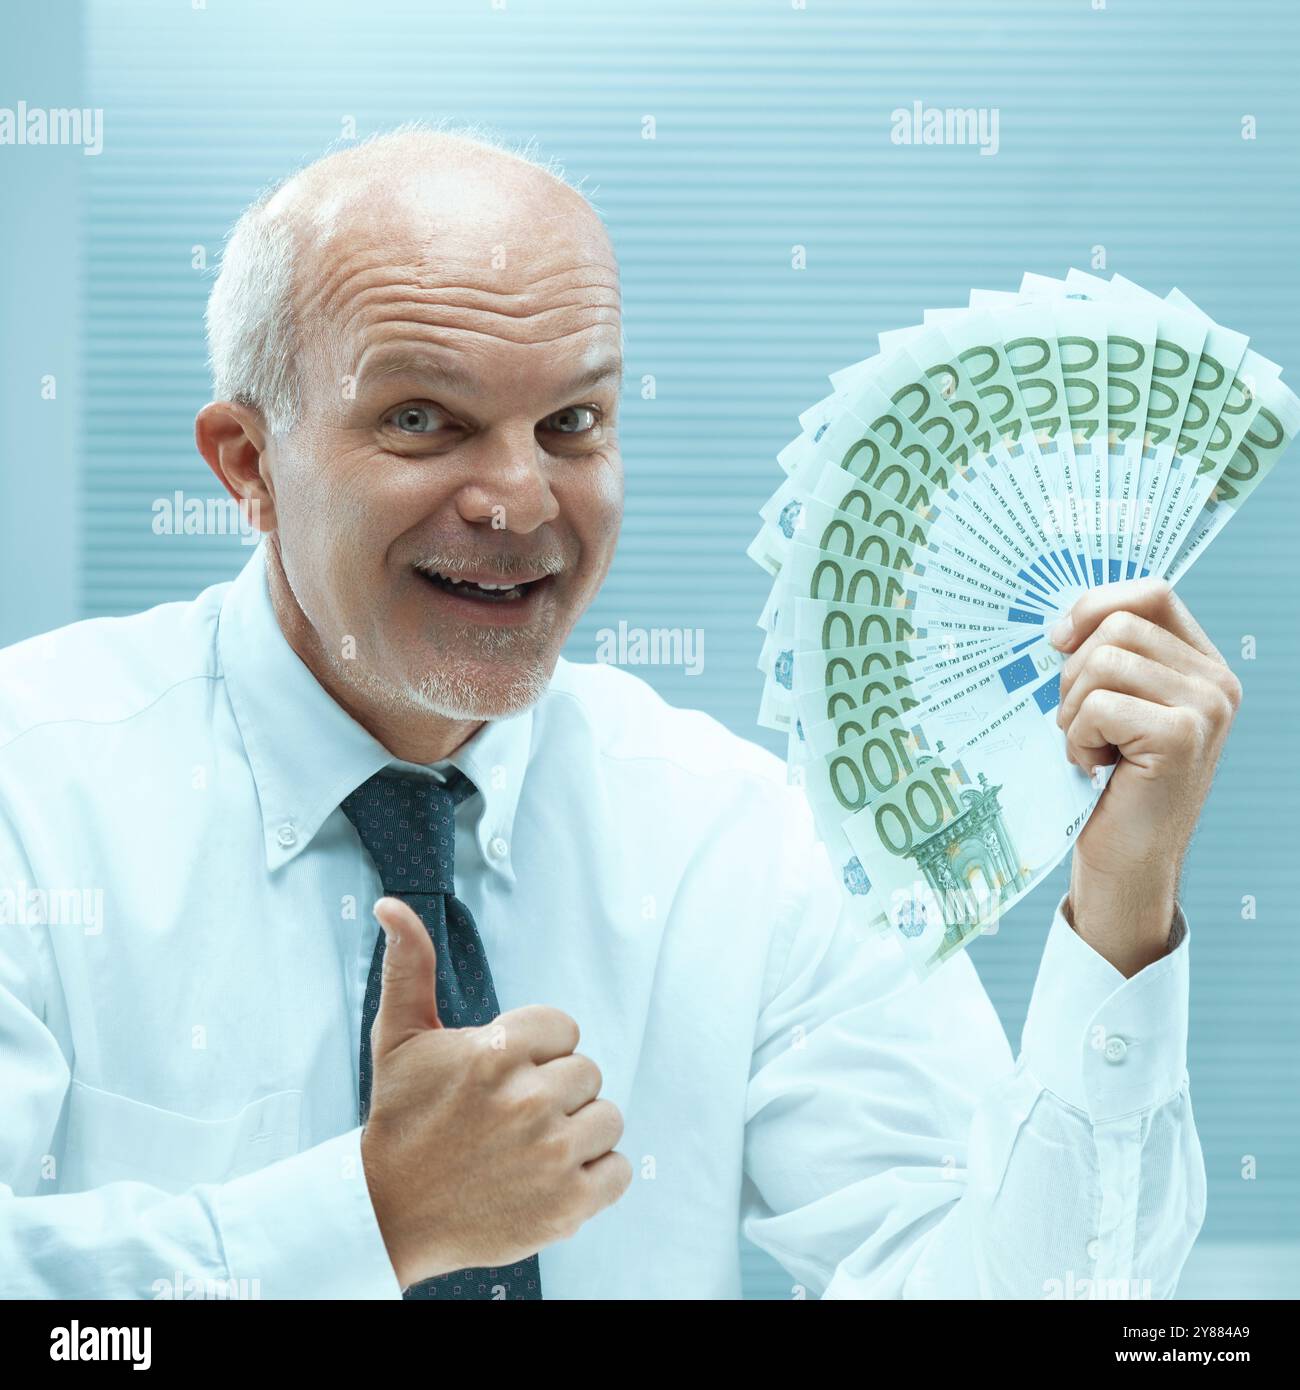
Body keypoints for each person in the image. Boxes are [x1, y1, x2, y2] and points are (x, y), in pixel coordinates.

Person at [0, 122, 1235, 1300]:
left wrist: (1121, 915)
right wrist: (374, 1215)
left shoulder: (740, 838)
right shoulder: (31, 792)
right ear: (249, 466)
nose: (521, 499)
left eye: (571, 422)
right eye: (422, 419)